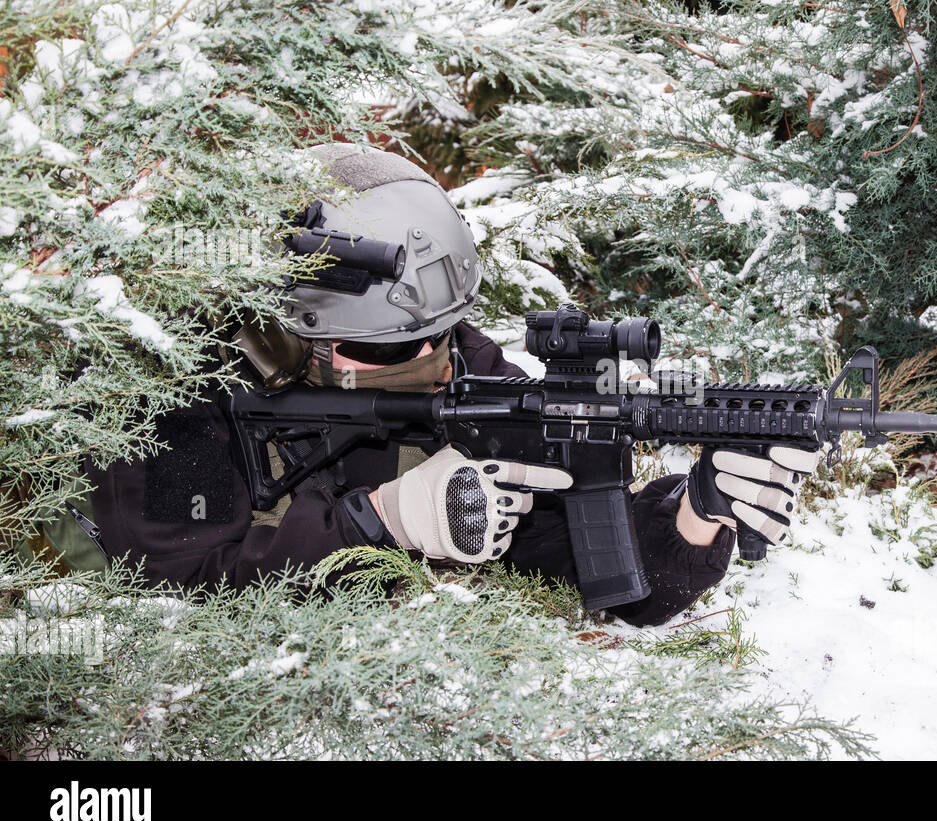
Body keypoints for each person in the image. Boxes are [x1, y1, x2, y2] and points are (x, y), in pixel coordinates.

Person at [58, 144, 818, 627]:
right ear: (295, 331)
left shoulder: (474, 375)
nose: (424, 357)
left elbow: (595, 570)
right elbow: (178, 595)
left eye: (439, 332)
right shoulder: (181, 393)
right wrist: (378, 520)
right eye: (379, 345)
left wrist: (690, 517)